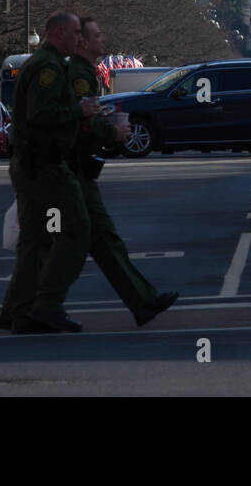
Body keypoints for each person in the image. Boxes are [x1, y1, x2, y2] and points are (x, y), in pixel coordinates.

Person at [67, 16, 178, 328]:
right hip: (69, 169)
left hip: (75, 168)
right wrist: (112, 132)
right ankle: (35, 306)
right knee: (65, 245)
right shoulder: (79, 74)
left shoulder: (84, 71)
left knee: (102, 239)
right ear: (83, 42)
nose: (103, 39)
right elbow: (83, 122)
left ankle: (142, 300)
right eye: (97, 35)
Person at [0, 10, 100, 334]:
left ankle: (19, 312)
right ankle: (48, 306)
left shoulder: (45, 62)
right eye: (75, 33)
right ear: (57, 33)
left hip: (29, 162)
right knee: (77, 229)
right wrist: (79, 110)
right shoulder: (48, 67)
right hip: (44, 164)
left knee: (34, 240)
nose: (79, 39)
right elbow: (41, 113)